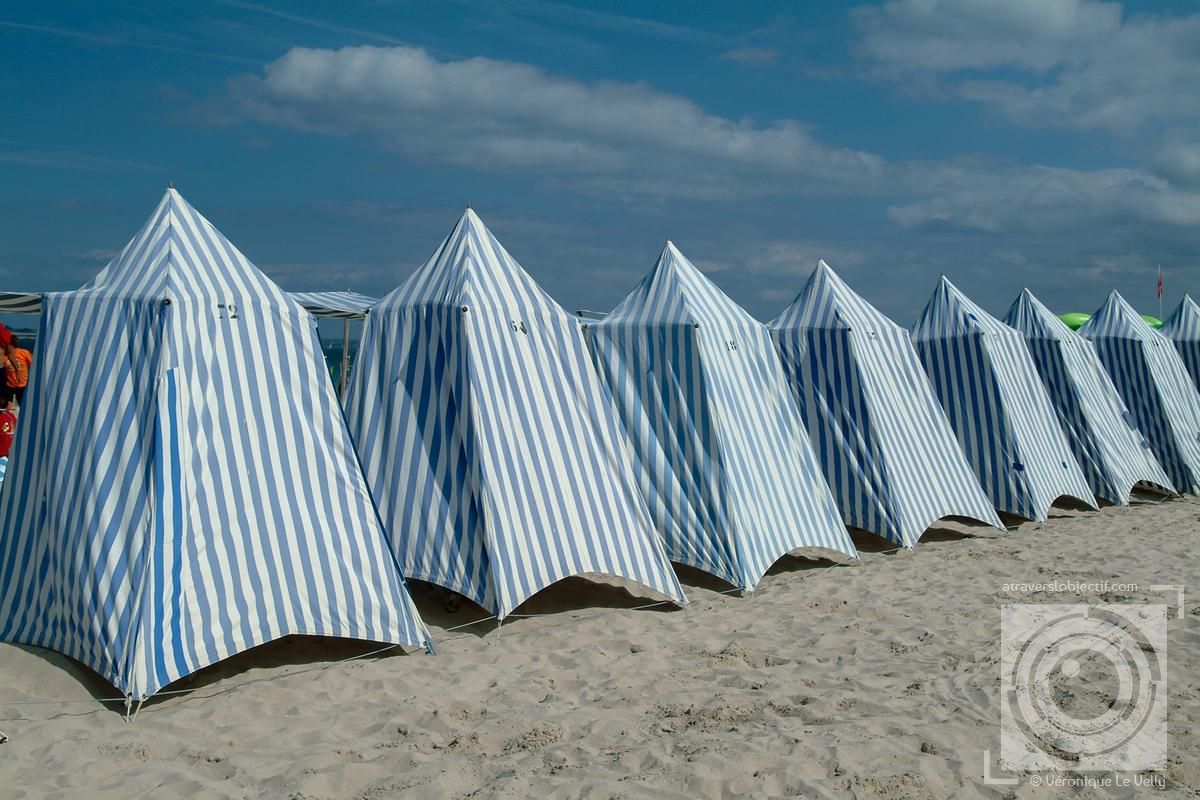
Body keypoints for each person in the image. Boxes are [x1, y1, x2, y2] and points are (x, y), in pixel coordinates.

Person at [0, 336, 31, 408]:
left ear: (11, 344)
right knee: (6, 405)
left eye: (5, 344)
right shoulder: (4, 356)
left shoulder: (24, 353)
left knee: (23, 405)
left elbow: (34, 364)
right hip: (9, 384)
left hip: (22, 384)